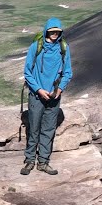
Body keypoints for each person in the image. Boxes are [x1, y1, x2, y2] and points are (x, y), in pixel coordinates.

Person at [22, 17, 73, 176]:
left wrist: (60, 89)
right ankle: (30, 160)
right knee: (33, 129)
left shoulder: (63, 48)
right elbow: (27, 72)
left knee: (49, 130)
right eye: (52, 31)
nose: (54, 34)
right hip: (36, 96)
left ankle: (43, 162)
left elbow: (68, 72)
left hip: (54, 97)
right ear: (46, 31)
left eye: (57, 31)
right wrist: (38, 90)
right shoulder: (36, 47)